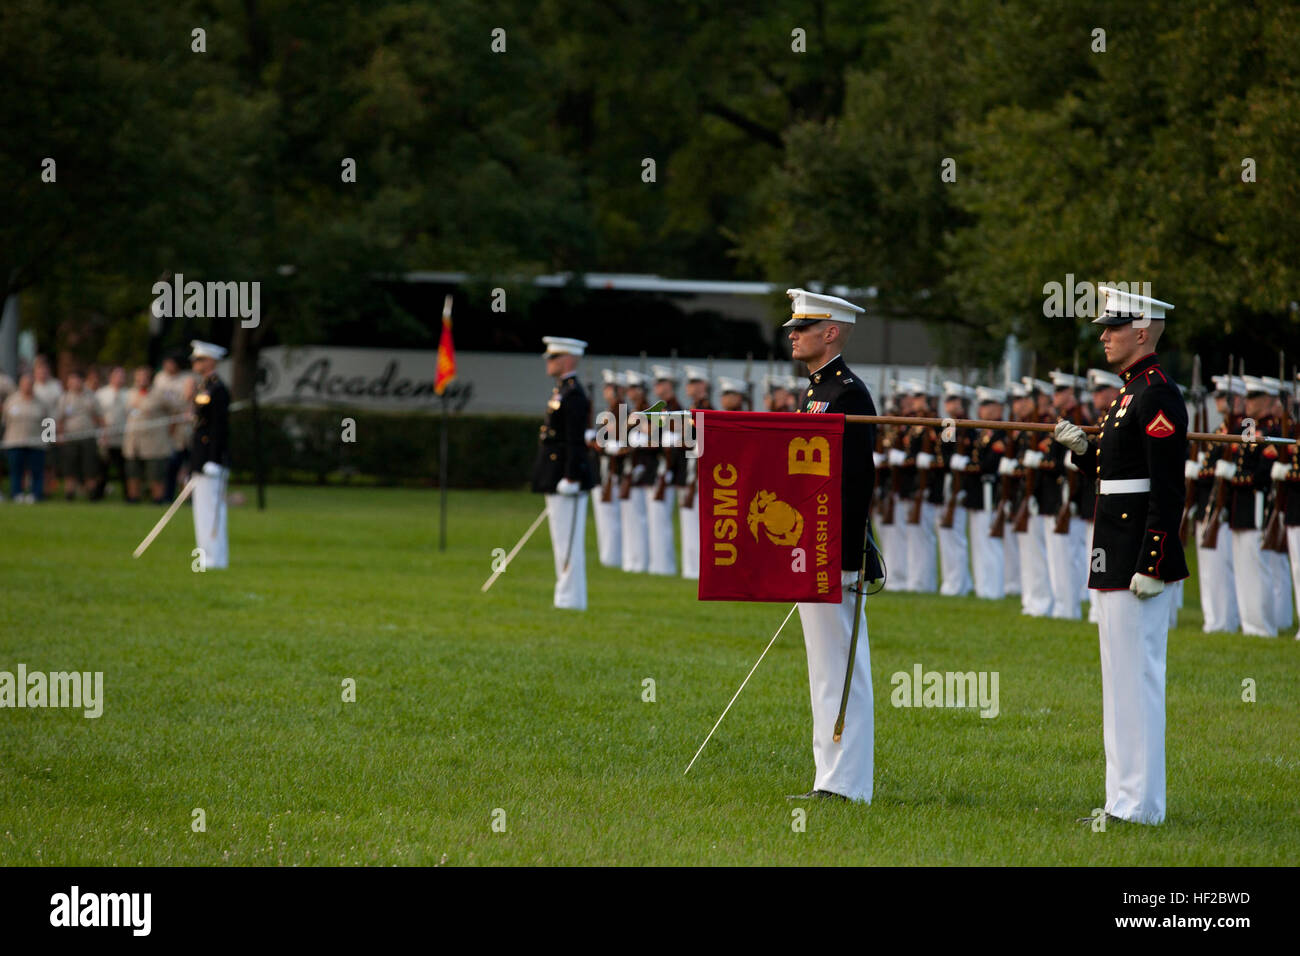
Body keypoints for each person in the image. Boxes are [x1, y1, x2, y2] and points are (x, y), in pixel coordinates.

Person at [1054, 286, 1187, 825]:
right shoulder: (1128, 393)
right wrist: (1086, 454)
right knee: (1118, 683)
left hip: (1136, 556)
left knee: (1137, 682)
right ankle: (1120, 800)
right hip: (1113, 548)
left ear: (1142, 330)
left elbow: (1167, 487)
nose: (1104, 335)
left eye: (1114, 326)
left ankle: (1141, 806)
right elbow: (1117, 477)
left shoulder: (1157, 393)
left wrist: (1154, 561)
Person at [784, 288, 879, 803]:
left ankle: (845, 784)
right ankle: (831, 778)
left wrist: (844, 554)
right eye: (794, 328)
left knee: (841, 666)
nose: (794, 335)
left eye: (803, 327)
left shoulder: (848, 393)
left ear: (832, 332)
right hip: (812, 547)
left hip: (832, 551)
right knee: (824, 667)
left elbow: (856, 481)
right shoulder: (817, 392)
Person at [531, 337, 594, 608]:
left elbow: (574, 440)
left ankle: (570, 599)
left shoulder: (574, 395)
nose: (549, 362)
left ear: (568, 359)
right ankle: (566, 595)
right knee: (560, 541)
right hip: (555, 475)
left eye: (554, 357)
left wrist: (571, 476)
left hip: (567, 478)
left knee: (568, 543)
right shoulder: (562, 391)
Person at [190, 341, 232, 569]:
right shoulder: (203, 387)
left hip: (210, 460)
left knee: (211, 511)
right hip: (201, 457)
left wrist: (214, 459)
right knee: (202, 511)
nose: (196, 363)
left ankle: (214, 558)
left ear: (211, 362)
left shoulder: (218, 389)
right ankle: (208, 555)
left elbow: (218, 427)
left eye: (200, 359)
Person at [937, 381, 974, 597]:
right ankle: (953, 582)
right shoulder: (949, 426)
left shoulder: (968, 426)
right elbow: (946, 455)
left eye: (953, 400)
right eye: (948, 400)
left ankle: (958, 583)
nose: (949, 404)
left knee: (957, 538)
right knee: (949, 538)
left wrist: (962, 461)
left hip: (963, 487)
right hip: (951, 484)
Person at [123, 366, 177, 504]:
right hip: (133, 442)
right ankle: (133, 499)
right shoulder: (130, 394)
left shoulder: (160, 394)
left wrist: (171, 429)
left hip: (154, 443)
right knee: (133, 473)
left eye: (144, 377)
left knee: (155, 475)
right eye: (138, 376)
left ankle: (158, 500)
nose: (141, 380)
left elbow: (175, 411)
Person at [679, 366, 711, 579]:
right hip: (690, 472)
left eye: (694, 382)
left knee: (699, 524)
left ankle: (699, 568)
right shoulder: (692, 409)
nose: (689, 387)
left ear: (703, 386)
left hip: (701, 473)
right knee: (689, 523)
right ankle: (690, 567)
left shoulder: (706, 409)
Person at [647, 365, 680, 576]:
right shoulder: (661, 408)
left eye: (661, 382)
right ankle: (658, 564)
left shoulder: (677, 408)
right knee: (655, 521)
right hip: (660, 468)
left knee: (663, 521)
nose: (657, 387)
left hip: (673, 470)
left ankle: (666, 565)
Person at [619, 370, 653, 574]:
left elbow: (657, 438)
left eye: (634, 388)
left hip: (645, 470)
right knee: (630, 518)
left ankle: (642, 561)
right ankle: (632, 560)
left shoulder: (651, 410)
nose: (630, 392)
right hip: (631, 468)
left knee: (640, 518)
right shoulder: (632, 411)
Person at [591, 369, 624, 569]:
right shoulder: (609, 413)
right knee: (604, 517)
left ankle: (613, 557)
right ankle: (607, 556)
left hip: (615, 471)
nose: (606, 391)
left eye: (610, 387)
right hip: (603, 470)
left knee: (612, 517)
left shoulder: (623, 413)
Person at [55, 371, 103, 500]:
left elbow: (99, 417)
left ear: (82, 381)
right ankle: (69, 494)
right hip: (70, 438)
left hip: (88, 438)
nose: (73, 383)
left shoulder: (91, 396)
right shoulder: (64, 398)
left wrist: (103, 436)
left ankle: (92, 494)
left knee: (90, 468)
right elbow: (59, 420)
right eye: (71, 381)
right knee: (69, 469)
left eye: (76, 380)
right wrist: (59, 436)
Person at [3, 373, 48, 502]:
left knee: (36, 471)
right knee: (16, 470)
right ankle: (16, 493)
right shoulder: (11, 401)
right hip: (15, 442)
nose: (27, 386)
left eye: (30, 384)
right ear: (20, 385)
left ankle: (35, 494)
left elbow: (49, 421)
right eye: (25, 384)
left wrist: (48, 442)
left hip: (36, 444)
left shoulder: (41, 402)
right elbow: (5, 421)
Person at [154, 354, 193, 501]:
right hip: (165, 426)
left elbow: (185, 401)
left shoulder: (186, 379)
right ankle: (167, 495)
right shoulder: (160, 378)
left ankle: (188, 496)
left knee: (185, 464)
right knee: (169, 465)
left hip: (183, 427)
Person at [94, 366, 130, 501]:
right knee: (102, 468)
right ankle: (98, 495)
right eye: (117, 376)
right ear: (111, 377)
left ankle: (128, 496)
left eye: (122, 376)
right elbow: (97, 415)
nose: (119, 379)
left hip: (123, 438)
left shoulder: (128, 394)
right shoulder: (101, 394)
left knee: (123, 469)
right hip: (105, 437)